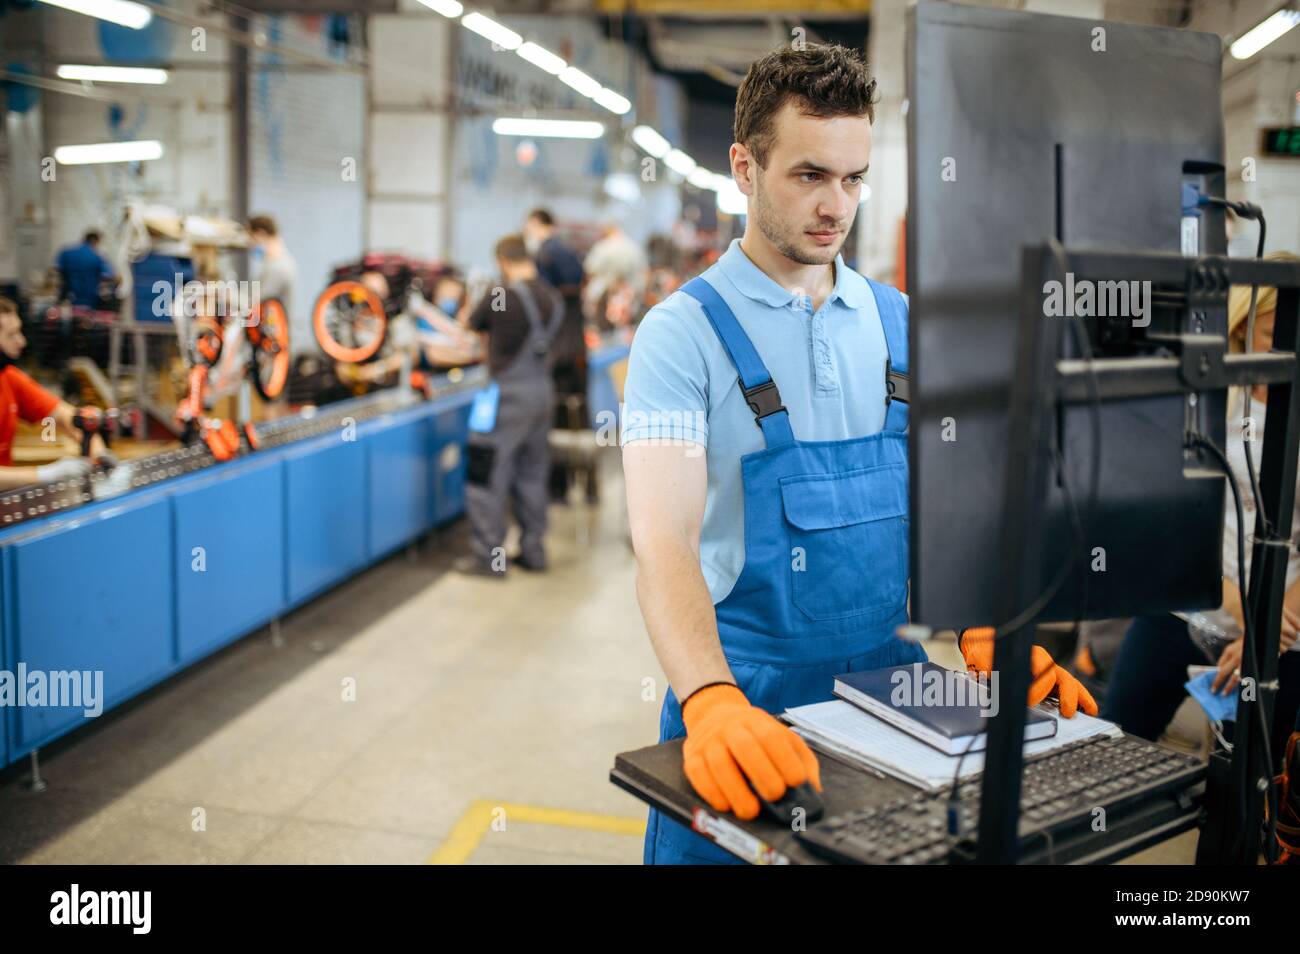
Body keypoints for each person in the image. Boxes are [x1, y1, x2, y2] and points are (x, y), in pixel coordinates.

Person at [622, 43, 1094, 866]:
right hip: (747, 701)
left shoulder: (901, 323)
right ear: (744, 165)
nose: (836, 205)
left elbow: (940, 506)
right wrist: (709, 698)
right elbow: (664, 543)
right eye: (809, 175)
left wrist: (988, 622)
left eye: (854, 178)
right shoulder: (681, 333)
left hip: (897, 691)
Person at [1101, 252, 1300, 769]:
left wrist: (1267, 629)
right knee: (1114, 742)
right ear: (1239, 329)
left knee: (1249, 779)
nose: (1287, 347)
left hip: (1283, 627)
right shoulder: (1206, 402)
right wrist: (1242, 608)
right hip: (1187, 605)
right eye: (1272, 333)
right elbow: (1173, 520)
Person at [454, 235, 564, 578]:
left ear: (502, 260)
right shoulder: (553, 297)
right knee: (532, 474)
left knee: (487, 472)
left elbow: (469, 325)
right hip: (543, 394)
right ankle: (534, 552)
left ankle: (488, 560)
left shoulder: (501, 295)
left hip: (506, 397)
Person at [0, 297, 111, 489]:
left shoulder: (9, 378)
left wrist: (98, 454)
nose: (22, 342)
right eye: (12, 335)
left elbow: (64, 415)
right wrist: (44, 475)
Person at [523, 208, 594, 503]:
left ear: (539, 224)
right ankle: (591, 488)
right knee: (582, 417)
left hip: (556, 350)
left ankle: (558, 489)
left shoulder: (544, 256)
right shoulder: (571, 253)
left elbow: (541, 308)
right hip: (577, 346)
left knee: (555, 419)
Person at [247, 214, 298, 344]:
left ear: (260, 234)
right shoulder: (272, 263)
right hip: (271, 339)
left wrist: (227, 294)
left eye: (252, 239)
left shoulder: (279, 267)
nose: (250, 245)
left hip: (273, 342)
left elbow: (254, 302)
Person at [55, 230, 116, 309]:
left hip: (69, 300)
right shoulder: (97, 257)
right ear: (94, 241)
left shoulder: (66, 252)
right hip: (90, 301)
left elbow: (57, 270)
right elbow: (109, 275)